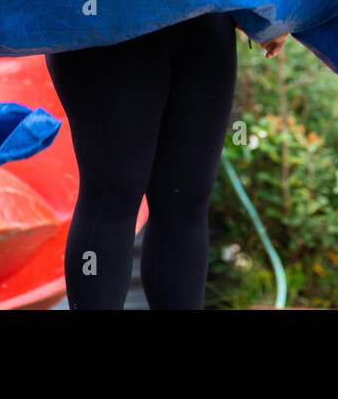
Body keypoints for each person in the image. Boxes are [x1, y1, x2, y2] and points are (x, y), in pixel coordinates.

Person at [45, 19, 287, 309]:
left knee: (185, 201)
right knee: (112, 197)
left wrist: (262, 13)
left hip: (204, 11)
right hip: (107, 6)